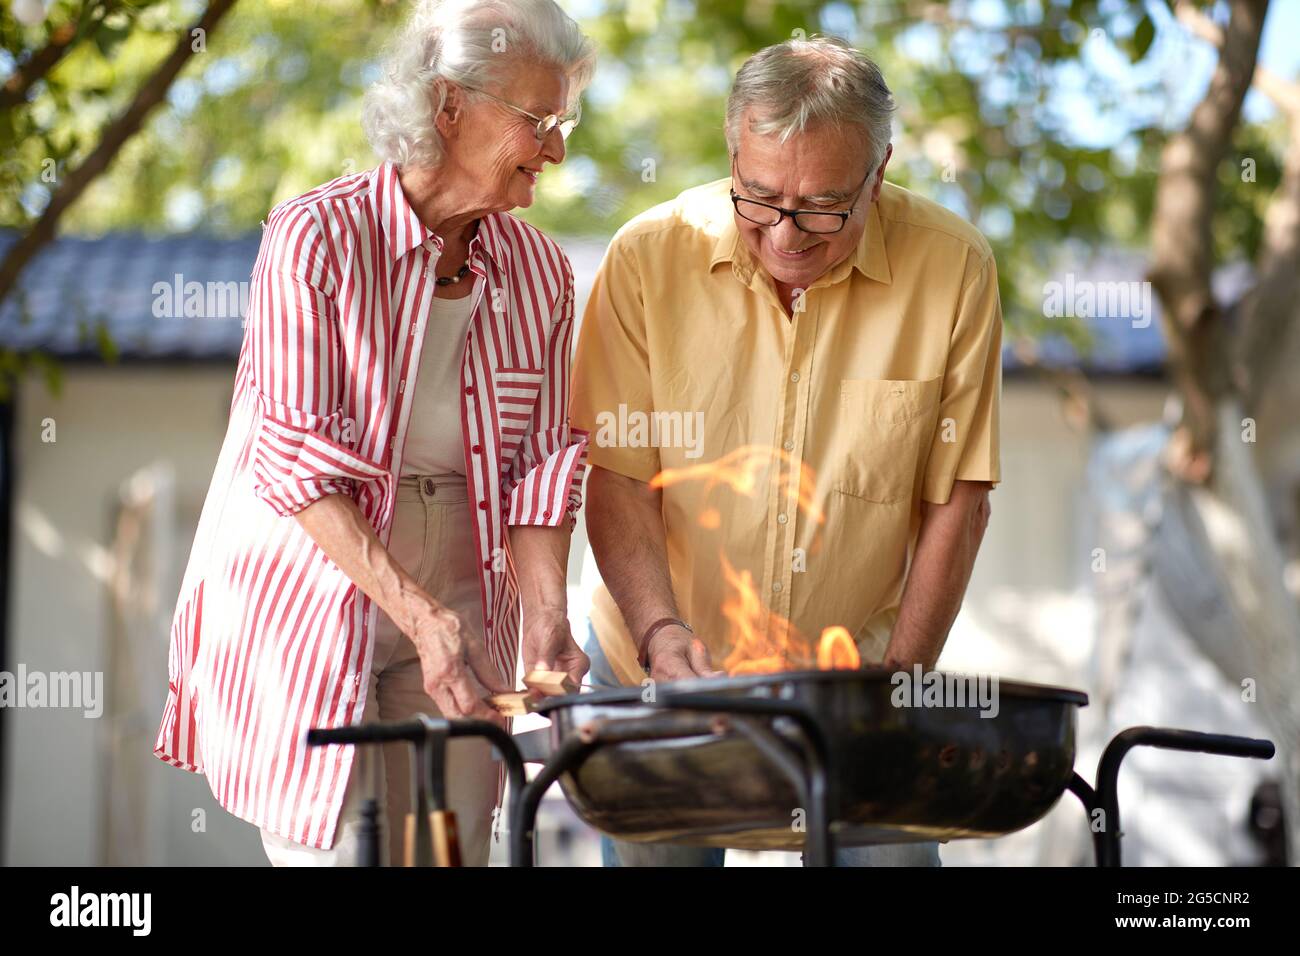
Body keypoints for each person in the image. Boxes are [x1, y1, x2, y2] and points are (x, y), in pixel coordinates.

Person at [154, 0, 595, 867]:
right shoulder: (315, 238)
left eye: (563, 122)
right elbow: (295, 458)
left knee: (450, 853)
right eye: (537, 122)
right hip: (320, 570)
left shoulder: (541, 271)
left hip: (469, 576)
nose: (557, 150)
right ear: (448, 105)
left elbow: (543, 463)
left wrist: (547, 615)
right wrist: (421, 618)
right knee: (336, 847)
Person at [571, 35, 999, 867]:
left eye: (825, 206)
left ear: (879, 175)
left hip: (856, 684)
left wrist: (896, 691)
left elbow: (959, 504)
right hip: (656, 670)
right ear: (733, 152)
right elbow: (618, 479)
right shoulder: (645, 258)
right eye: (760, 197)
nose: (786, 235)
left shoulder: (954, 270)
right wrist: (660, 635)